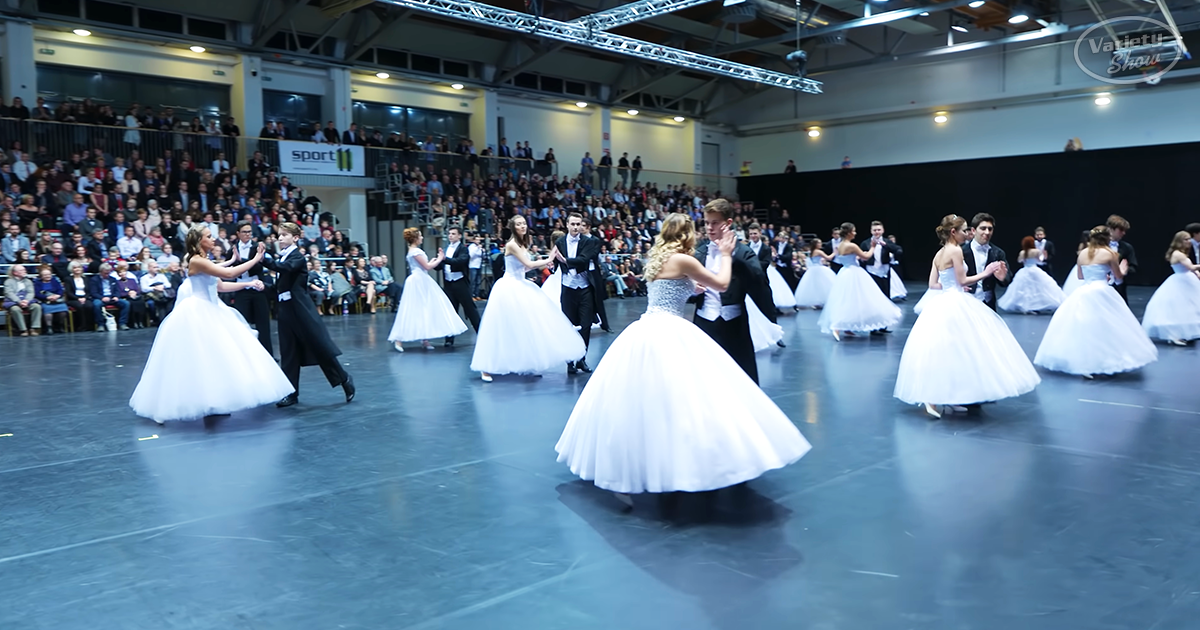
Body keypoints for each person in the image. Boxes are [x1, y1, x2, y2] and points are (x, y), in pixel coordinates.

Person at [555, 213, 811, 505]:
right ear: (685, 234)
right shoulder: (684, 260)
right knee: (685, 399)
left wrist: (693, 288)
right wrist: (726, 255)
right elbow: (722, 284)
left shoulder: (657, 258)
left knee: (643, 404)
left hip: (646, 327)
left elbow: (672, 290)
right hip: (669, 330)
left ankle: (631, 470)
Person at [128, 226, 293, 424]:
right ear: (199, 241)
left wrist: (247, 284)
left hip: (212, 309)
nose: (213, 239)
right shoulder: (196, 260)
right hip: (198, 312)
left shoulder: (203, 260)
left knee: (216, 360)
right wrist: (256, 260)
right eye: (208, 237)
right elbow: (229, 273)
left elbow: (220, 285)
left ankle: (215, 403)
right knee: (201, 361)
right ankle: (200, 404)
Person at [894, 215, 1040, 419]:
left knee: (953, 352)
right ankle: (934, 397)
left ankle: (951, 398)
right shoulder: (955, 251)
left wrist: (955, 285)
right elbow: (963, 278)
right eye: (965, 230)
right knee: (961, 350)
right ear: (953, 232)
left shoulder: (940, 252)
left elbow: (933, 284)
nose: (968, 233)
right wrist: (985, 273)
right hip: (956, 303)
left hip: (944, 301)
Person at [470, 215, 584, 382]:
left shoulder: (523, 244)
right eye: (518, 224)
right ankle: (486, 367)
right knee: (501, 327)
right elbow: (529, 265)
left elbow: (524, 267)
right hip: (509, 287)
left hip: (521, 284)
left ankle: (526, 362)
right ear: (513, 227)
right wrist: (550, 258)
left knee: (524, 327)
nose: (522, 226)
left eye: (524, 223)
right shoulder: (511, 245)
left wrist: (546, 261)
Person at [1034, 226, 1157, 378]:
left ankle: (1084, 362)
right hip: (1103, 291)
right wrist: (1122, 270)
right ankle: (1103, 360)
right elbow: (1118, 278)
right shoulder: (1110, 253)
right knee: (1108, 327)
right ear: (1107, 238)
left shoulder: (1083, 253)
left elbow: (1080, 277)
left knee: (1084, 327)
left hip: (1085, 291)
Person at [261, 222, 355, 407]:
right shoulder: (285, 257)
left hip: (301, 310)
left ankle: (344, 379)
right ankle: (291, 393)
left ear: (295, 238)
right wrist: (264, 287)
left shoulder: (297, 257)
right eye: (279, 235)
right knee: (288, 351)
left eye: (284, 235)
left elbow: (284, 268)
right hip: (286, 310)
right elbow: (280, 287)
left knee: (319, 347)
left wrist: (262, 258)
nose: (280, 238)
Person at [691, 199, 776, 384]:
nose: (709, 228)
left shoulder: (743, 252)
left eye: (715, 222)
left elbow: (758, 282)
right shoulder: (699, 252)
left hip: (734, 324)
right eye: (706, 223)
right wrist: (693, 290)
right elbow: (686, 290)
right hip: (704, 323)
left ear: (728, 223)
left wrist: (732, 255)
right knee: (705, 376)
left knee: (740, 377)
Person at [818, 222, 903, 341]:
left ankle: (847, 327)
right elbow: (866, 256)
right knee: (863, 299)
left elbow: (849, 257)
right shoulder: (851, 245)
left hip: (845, 272)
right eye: (853, 231)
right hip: (853, 273)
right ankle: (838, 326)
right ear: (848, 233)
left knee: (848, 300)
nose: (855, 233)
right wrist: (873, 247)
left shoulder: (841, 245)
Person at [388, 227, 467, 352]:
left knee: (425, 309)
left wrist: (434, 260)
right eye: (420, 236)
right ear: (415, 238)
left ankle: (424, 339)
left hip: (422, 279)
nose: (422, 237)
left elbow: (424, 266)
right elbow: (427, 266)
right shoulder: (415, 251)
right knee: (414, 308)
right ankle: (399, 339)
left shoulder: (415, 250)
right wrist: (441, 258)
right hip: (418, 281)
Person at [554, 213, 605, 374]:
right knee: (568, 325)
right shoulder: (560, 242)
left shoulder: (588, 242)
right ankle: (570, 361)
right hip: (567, 288)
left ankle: (581, 359)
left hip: (584, 287)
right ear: (567, 225)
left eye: (578, 224)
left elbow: (584, 259)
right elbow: (556, 260)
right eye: (573, 224)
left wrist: (565, 261)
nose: (576, 227)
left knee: (586, 325)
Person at [1140, 231, 1200, 346]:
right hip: (1181, 282)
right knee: (1178, 308)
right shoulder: (1178, 254)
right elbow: (1191, 267)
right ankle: (1174, 335)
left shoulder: (1182, 253)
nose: (1189, 242)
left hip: (1187, 280)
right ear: (1179, 241)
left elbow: (1191, 269)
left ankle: (1183, 332)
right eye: (1186, 239)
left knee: (1188, 308)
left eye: (1189, 239)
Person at [228, 220, 273, 355]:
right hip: (241, 287)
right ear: (238, 233)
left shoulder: (258, 247)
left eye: (249, 232)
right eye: (244, 232)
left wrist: (241, 262)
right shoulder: (233, 249)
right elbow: (230, 267)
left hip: (257, 287)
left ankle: (267, 354)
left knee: (263, 323)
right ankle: (243, 354)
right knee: (241, 322)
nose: (247, 234)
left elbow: (260, 265)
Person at [434, 226, 481, 346]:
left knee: (470, 310)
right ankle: (449, 339)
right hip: (449, 284)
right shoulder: (446, 249)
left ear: (459, 236)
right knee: (450, 311)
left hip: (460, 283)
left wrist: (445, 259)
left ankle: (481, 334)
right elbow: (441, 266)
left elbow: (460, 262)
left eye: (453, 233)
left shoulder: (463, 249)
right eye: (449, 233)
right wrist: (436, 261)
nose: (450, 235)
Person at [997, 236, 1065, 314]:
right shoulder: (1036, 251)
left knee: (1024, 289)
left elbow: (1019, 261)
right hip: (1035, 270)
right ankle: (1035, 306)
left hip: (1025, 270)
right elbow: (1040, 260)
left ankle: (1026, 307)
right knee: (1039, 288)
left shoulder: (1022, 252)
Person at [961, 213, 1009, 311]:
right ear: (973, 231)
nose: (987, 232)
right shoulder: (961, 251)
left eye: (990, 229)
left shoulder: (998, 253)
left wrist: (1003, 278)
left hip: (988, 304)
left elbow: (1007, 279)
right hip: (965, 302)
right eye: (983, 228)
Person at [794, 239, 836, 309]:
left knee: (817, 286)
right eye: (819, 243)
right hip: (818, 269)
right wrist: (835, 252)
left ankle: (819, 302)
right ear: (816, 244)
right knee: (823, 285)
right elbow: (829, 258)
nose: (821, 244)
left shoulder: (812, 252)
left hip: (813, 269)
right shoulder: (818, 251)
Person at [1106, 214, 1137, 304]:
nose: (1124, 233)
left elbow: (1133, 267)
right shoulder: (1100, 246)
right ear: (1111, 229)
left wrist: (1124, 270)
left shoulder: (1127, 248)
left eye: (1125, 230)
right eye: (1121, 230)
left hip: (1119, 288)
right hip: (1102, 285)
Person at [3, 264, 42, 336]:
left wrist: (26, 301)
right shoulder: (8, 281)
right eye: (21, 270)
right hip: (13, 301)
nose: (24, 271)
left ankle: (34, 328)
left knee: (36, 306)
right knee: (15, 309)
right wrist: (19, 301)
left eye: (24, 270)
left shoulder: (28, 281)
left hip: (27, 300)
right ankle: (23, 329)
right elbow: (9, 293)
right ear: (15, 273)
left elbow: (31, 292)